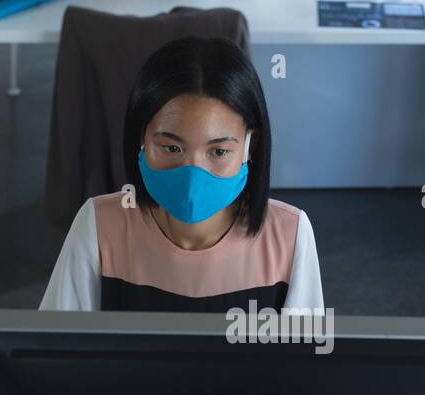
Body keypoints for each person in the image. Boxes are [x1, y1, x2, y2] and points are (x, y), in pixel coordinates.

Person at [40, 36, 324, 312]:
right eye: (171, 147)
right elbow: (55, 347)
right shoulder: (99, 226)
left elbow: (302, 356)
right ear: (141, 138)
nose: (192, 177)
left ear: (251, 146)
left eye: (218, 152)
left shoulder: (290, 234)